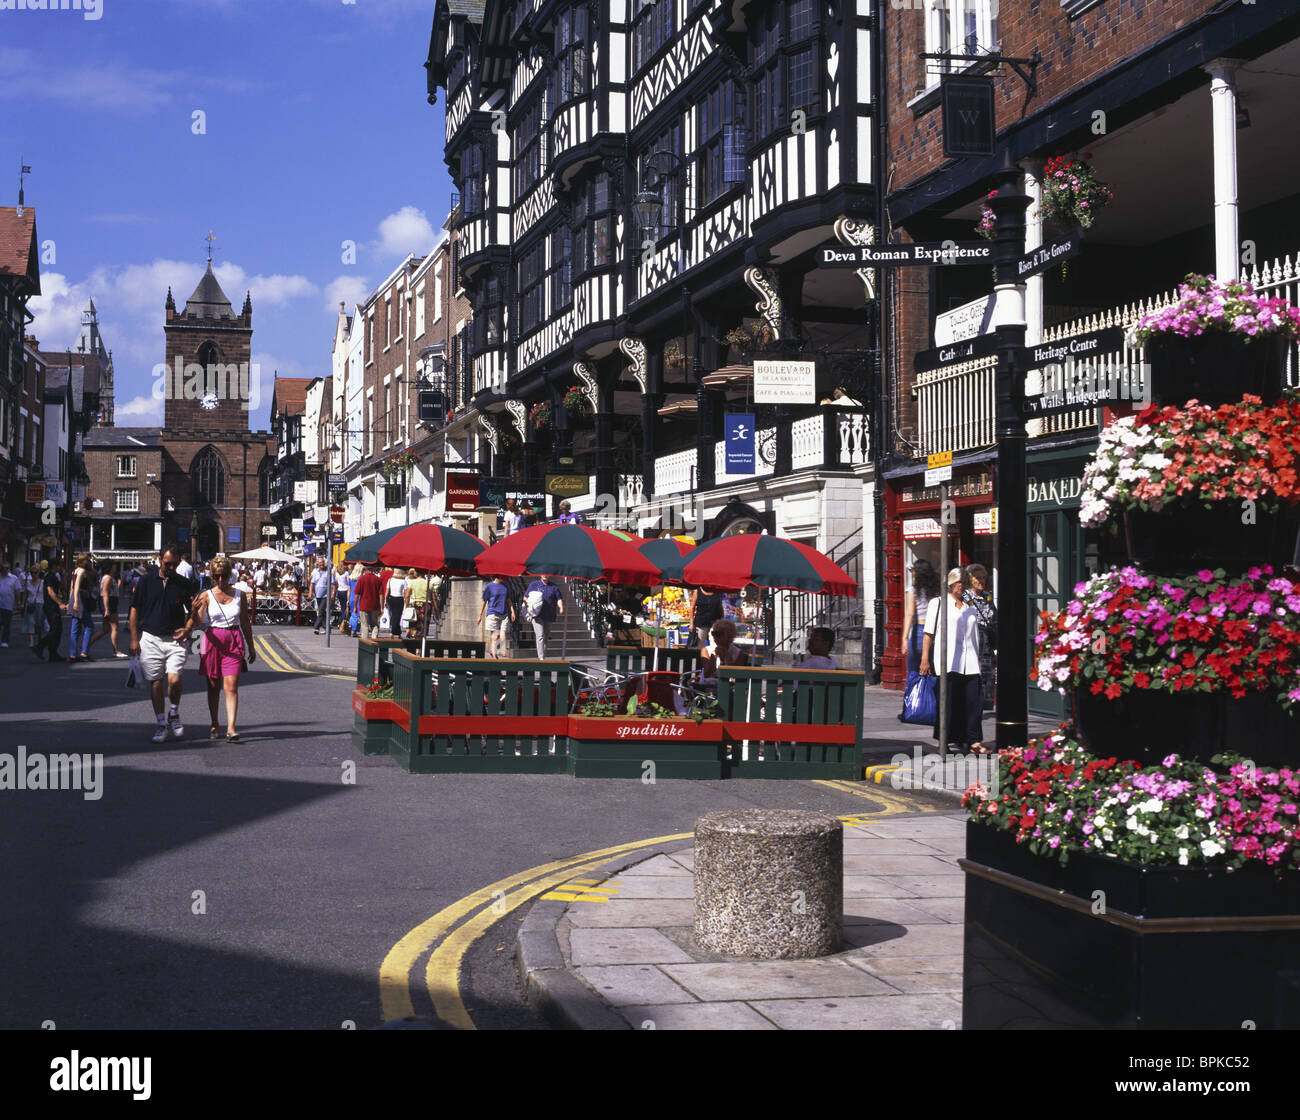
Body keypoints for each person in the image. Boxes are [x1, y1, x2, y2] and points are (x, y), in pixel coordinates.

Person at [129, 546, 196, 743]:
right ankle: (160, 725)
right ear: (159, 560)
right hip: (150, 638)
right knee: (156, 682)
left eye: (174, 564)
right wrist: (134, 638)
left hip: (175, 639)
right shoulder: (146, 581)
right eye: (168, 564)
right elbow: (134, 609)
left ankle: (173, 715)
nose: (171, 567)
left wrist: (188, 629)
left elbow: (194, 611)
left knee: (174, 681)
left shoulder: (183, 583)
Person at [919, 566, 986, 754]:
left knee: (974, 702)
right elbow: (928, 634)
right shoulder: (938, 603)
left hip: (971, 662)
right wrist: (925, 659)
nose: (962, 586)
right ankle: (945, 742)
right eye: (959, 582)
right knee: (947, 704)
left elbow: (975, 636)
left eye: (965, 583)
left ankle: (973, 741)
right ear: (950, 584)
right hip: (947, 661)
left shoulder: (970, 608)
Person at [190, 555, 256, 741]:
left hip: (234, 640)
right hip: (212, 641)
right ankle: (214, 723)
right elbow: (197, 622)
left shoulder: (239, 595)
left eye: (224, 575)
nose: (220, 580)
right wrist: (194, 610)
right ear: (212, 576)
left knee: (231, 687)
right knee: (213, 686)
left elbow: (245, 622)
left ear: (230, 575)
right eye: (217, 576)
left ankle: (231, 727)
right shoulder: (206, 595)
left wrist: (251, 646)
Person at [963, 563, 998, 713]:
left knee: (987, 671)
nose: (981, 581)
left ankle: (985, 703)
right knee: (972, 671)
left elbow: (994, 616)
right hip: (972, 635)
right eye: (977, 578)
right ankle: (971, 702)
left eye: (983, 578)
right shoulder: (964, 596)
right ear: (970, 580)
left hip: (987, 638)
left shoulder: (987, 596)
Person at [901, 559, 941, 674]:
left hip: (919, 631)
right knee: (933, 671)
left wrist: (904, 639)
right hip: (935, 631)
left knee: (914, 671)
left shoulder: (912, 591)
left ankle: (914, 692)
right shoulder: (937, 591)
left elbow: (909, 614)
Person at [88, 560, 127, 658]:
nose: (115, 567)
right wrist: (107, 608)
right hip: (109, 603)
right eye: (114, 565)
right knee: (115, 627)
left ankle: (87, 645)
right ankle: (116, 650)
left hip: (109, 602)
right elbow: (105, 593)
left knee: (105, 629)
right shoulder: (108, 578)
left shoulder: (107, 577)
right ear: (110, 567)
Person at [523, 573, 563, 657]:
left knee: (545, 637)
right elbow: (525, 597)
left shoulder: (554, 586)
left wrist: (561, 607)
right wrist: (528, 609)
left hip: (549, 614)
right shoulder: (534, 585)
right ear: (540, 575)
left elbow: (559, 598)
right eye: (543, 573)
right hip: (537, 615)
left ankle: (543, 656)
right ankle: (541, 657)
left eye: (547, 574)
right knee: (540, 635)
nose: (545, 575)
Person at [699, 618, 749, 685]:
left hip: (730, 688)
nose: (715, 637)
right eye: (713, 633)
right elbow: (707, 674)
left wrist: (728, 658)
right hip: (708, 687)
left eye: (718, 634)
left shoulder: (738, 653)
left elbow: (736, 676)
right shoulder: (706, 650)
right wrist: (713, 657)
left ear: (729, 635)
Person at [477, 574, 516, 658]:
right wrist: (480, 615)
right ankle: (494, 655)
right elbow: (484, 601)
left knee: (502, 635)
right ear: (497, 576)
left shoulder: (506, 586)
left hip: (504, 614)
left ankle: (498, 650)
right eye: (501, 576)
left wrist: (512, 611)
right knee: (495, 636)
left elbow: (508, 600)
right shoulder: (489, 586)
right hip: (493, 613)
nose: (503, 577)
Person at [67, 555, 96, 662]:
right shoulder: (82, 571)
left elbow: (72, 587)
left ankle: (73, 653)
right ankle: (84, 652)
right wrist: (75, 602)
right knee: (89, 626)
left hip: (74, 599)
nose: (88, 562)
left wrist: (70, 600)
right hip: (80, 600)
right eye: (87, 561)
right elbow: (77, 587)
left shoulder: (75, 571)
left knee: (75, 627)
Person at [38, 559, 67, 661]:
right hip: (50, 606)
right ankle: (40, 646)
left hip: (53, 606)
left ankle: (53, 653)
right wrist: (60, 603)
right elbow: (50, 592)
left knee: (57, 629)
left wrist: (63, 575)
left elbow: (62, 587)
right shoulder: (49, 577)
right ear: (54, 566)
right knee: (55, 629)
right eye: (59, 566)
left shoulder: (54, 576)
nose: (60, 568)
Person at [355, 563, 383, 639]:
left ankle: (365, 643)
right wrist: (382, 607)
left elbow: (357, 594)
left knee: (364, 625)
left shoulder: (361, 579)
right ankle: (374, 640)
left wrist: (355, 606)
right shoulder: (378, 580)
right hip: (375, 605)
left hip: (363, 605)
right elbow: (381, 595)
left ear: (365, 569)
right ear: (373, 569)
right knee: (375, 624)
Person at [0, 561, 21, 648]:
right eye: (3, 568)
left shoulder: (14, 578)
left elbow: (17, 590)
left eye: (7, 568)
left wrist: (19, 601)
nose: (5, 570)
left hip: (8, 604)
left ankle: (5, 640)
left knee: (7, 624)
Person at [404, 568, 429, 639]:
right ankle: (420, 643)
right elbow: (434, 597)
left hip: (415, 604)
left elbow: (407, 595)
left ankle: (413, 640)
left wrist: (406, 606)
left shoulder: (412, 582)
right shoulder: (428, 582)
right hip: (426, 605)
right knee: (423, 624)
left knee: (413, 623)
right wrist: (436, 610)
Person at [310, 559, 332, 633]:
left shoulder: (328, 572)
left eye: (322, 562)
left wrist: (333, 593)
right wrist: (310, 592)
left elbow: (334, 584)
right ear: (317, 564)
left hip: (326, 595)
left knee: (321, 611)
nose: (321, 564)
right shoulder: (315, 572)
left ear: (324, 563)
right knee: (322, 612)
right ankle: (327, 628)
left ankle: (316, 627)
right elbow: (312, 583)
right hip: (318, 595)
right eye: (319, 563)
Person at [386, 566, 407, 637]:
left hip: (391, 598)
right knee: (397, 616)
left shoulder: (390, 580)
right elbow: (404, 592)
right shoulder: (403, 581)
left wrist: (385, 600)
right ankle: (393, 632)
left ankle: (398, 632)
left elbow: (387, 591)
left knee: (394, 615)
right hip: (399, 599)